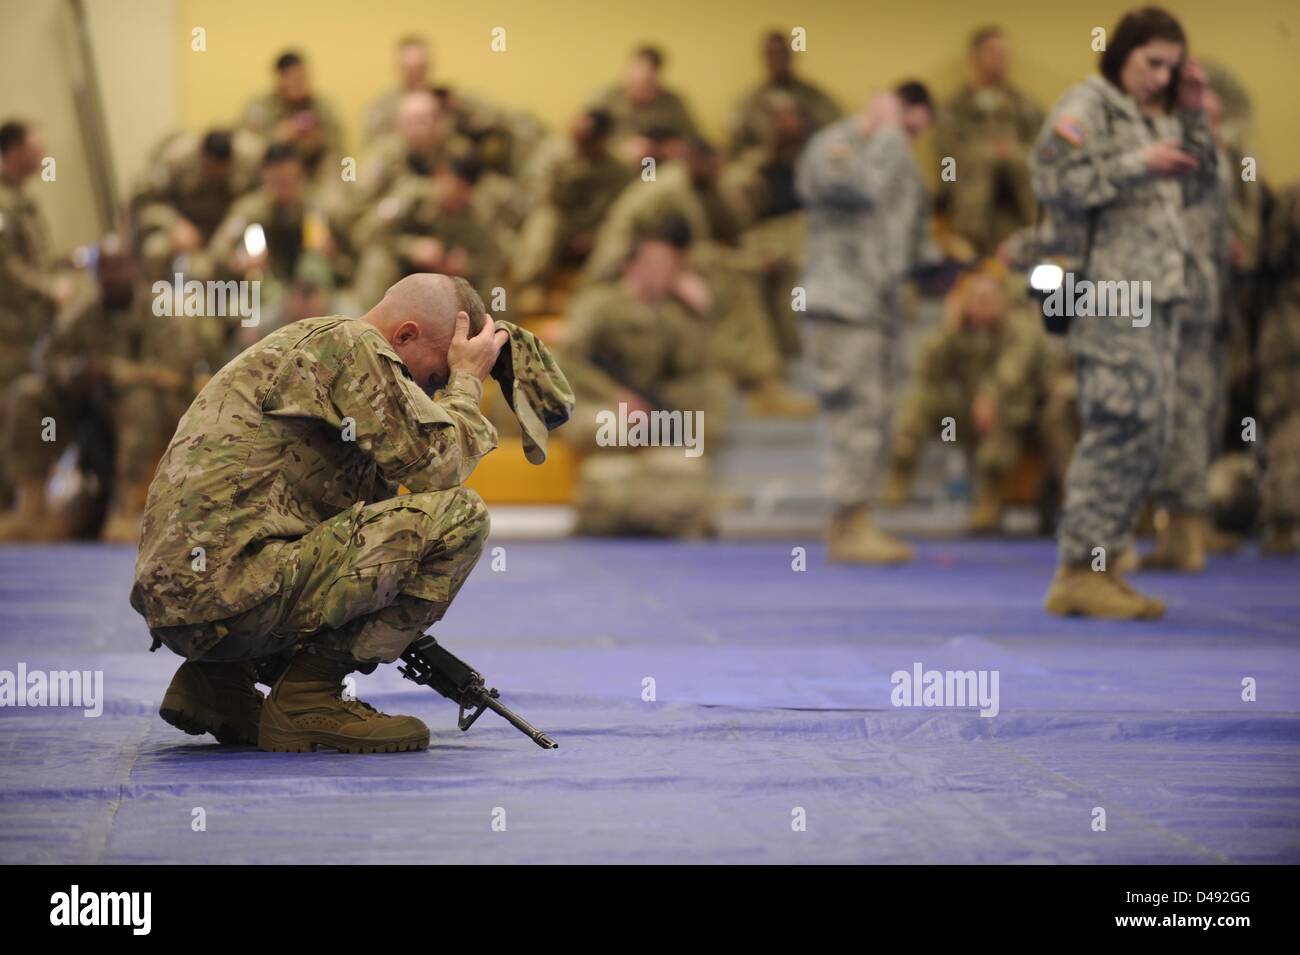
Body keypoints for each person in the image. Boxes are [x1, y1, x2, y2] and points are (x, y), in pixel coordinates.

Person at [130, 274, 506, 753]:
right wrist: (467, 383)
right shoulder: (354, 346)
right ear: (405, 336)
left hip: (186, 600)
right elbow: (441, 469)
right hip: (227, 591)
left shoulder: (305, 346)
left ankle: (217, 681)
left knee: (370, 496)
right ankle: (310, 697)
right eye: (435, 378)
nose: (431, 395)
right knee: (460, 517)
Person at [1031, 7, 1220, 618]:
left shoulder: (1151, 117)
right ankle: (1079, 569)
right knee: (1118, 425)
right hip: (1110, 294)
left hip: (1157, 296)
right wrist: (1140, 164)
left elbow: (1202, 184)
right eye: (1151, 63)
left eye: (1172, 67)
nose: (1161, 77)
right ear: (1122, 54)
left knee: (1150, 432)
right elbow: (1051, 176)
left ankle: (1105, 564)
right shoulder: (1089, 104)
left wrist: (1192, 111)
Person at [796, 81, 942, 564]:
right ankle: (846, 524)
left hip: (881, 308)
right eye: (907, 127)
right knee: (854, 414)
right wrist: (885, 136)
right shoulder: (836, 145)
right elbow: (857, 187)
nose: (909, 140)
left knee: (878, 415)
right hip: (841, 305)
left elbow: (913, 232)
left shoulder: (900, 160)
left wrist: (938, 267)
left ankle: (859, 518)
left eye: (915, 134)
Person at [0, 238, 219, 542]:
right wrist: (73, 372)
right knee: (29, 393)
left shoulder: (162, 313)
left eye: (118, 268)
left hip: (152, 418)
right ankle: (31, 505)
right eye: (104, 269)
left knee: (140, 400)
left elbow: (176, 373)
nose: (112, 277)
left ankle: (127, 509)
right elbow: (47, 357)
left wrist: (114, 372)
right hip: (91, 412)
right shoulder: (85, 314)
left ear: (134, 269)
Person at [559, 224, 725, 536]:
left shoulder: (671, 314)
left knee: (697, 425)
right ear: (631, 266)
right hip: (598, 405)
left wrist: (702, 314)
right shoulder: (599, 304)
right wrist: (615, 394)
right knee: (615, 428)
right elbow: (566, 360)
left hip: (649, 409)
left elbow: (696, 369)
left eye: (669, 266)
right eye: (654, 264)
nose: (662, 273)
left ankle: (655, 503)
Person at [884, 265, 1049, 533]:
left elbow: (1013, 371)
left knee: (1004, 409)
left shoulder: (1019, 326)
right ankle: (902, 467)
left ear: (1002, 301)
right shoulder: (958, 328)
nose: (982, 304)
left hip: (1019, 415)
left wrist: (990, 397)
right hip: (968, 413)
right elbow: (925, 369)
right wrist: (950, 325)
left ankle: (989, 497)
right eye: (976, 298)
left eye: (988, 298)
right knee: (920, 397)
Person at [0, 120, 76, 513]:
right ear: (13, 151)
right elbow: (6, 267)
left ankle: (14, 502)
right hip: (7, 334)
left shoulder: (20, 201)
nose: (43, 151)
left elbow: (34, 260)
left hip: (27, 333)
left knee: (18, 411)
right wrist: (48, 288)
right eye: (35, 144)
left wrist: (72, 261)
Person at [935, 27, 1043, 256]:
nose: (1000, 61)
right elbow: (946, 156)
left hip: (1017, 204)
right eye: (993, 53)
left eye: (1004, 55)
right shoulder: (955, 107)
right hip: (971, 201)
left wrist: (1012, 152)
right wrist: (949, 191)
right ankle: (967, 242)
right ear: (974, 57)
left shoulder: (1024, 104)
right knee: (981, 157)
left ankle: (1040, 230)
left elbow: (1043, 148)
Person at [130, 129, 262, 280]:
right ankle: (158, 300)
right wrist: (175, 225)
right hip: (187, 228)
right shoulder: (176, 160)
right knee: (155, 250)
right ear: (201, 156)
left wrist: (239, 230)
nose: (216, 176)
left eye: (222, 171)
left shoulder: (251, 159)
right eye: (211, 169)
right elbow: (145, 202)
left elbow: (261, 199)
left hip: (233, 228)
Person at [1257, 180, 1300, 556]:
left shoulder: (1291, 198)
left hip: (1288, 318)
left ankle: (1285, 524)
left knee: (1287, 420)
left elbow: (1268, 259)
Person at [239, 51, 342, 184]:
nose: (299, 84)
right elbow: (243, 146)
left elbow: (339, 148)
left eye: (302, 77)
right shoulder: (260, 107)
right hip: (270, 171)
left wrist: (317, 141)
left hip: (314, 174)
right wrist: (278, 137)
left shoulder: (322, 107)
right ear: (280, 78)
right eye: (292, 78)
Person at [589, 46, 701, 164]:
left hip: (656, 166)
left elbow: (695, 138)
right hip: (614, 166)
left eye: (649, 83)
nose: (643, 89)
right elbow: (582, 137)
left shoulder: (672, 102)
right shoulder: (605, 98)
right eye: (638, 82)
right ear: (627, 74)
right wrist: (621, 149)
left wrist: (679, 147)